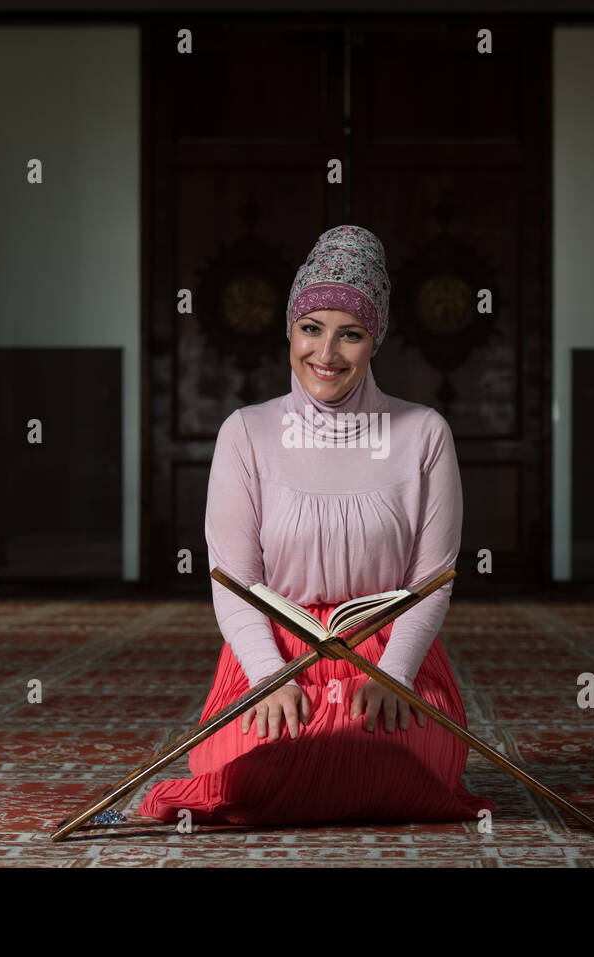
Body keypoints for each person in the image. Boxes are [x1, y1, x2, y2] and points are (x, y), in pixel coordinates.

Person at [138, 225, 496, 825]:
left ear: (374, 339)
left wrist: (394, 676)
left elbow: (433, 579)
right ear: (288, 330)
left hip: (386, 653)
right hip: (275, 650)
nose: (326, 355)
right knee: (250, 756)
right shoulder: (245, 432)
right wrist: (269, 679)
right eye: (311, 328)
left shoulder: (425, 432)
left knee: (393, 749)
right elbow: (233, 580)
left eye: (349, 334)